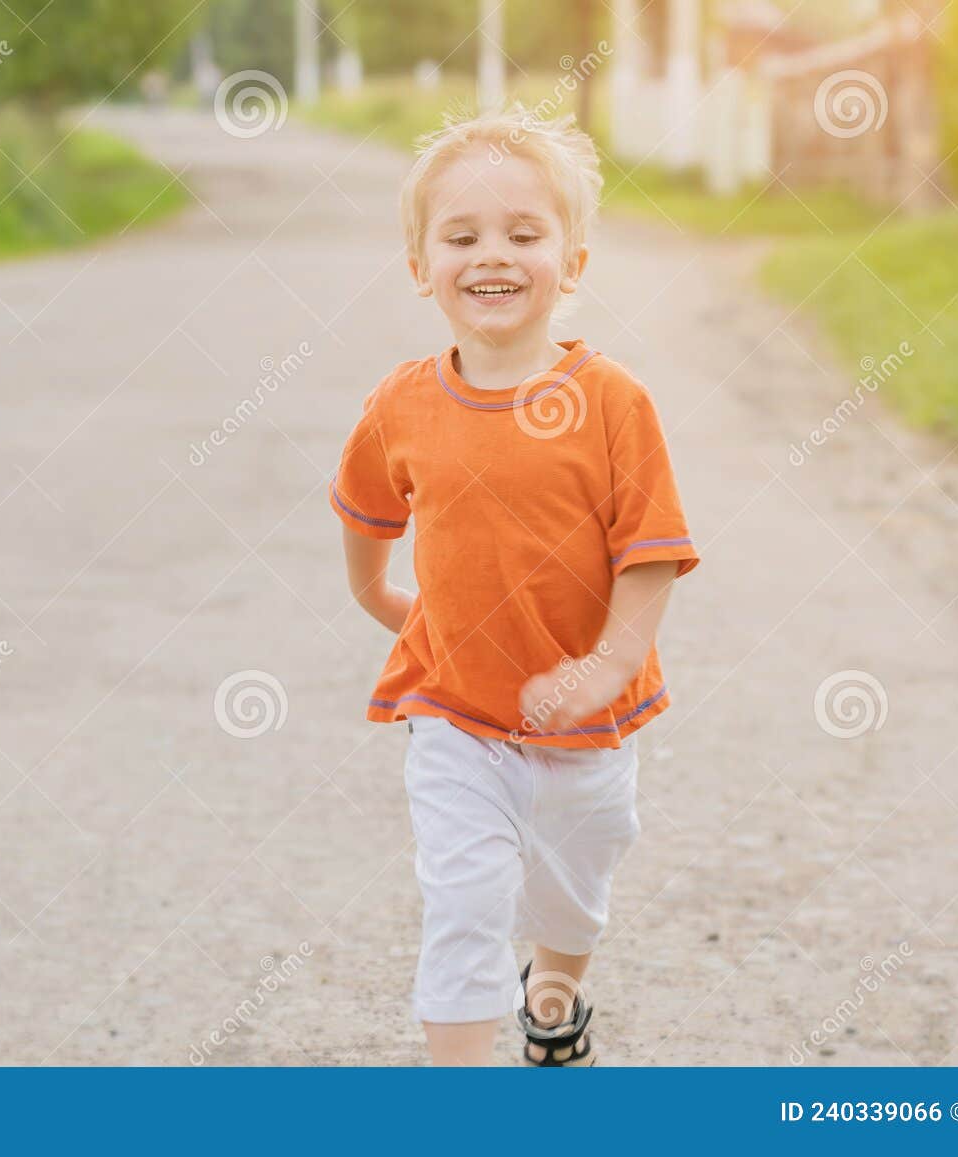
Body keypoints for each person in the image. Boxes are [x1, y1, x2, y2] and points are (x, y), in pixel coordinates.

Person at [329, 105, 699, 1066]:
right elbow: (367, 512)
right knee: (465, 898)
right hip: (454, 711)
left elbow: (650, 547)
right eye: (461, 236)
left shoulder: (613, 402)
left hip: (586, 718)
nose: (492, 254)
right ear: (421, 266)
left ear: (571, 262)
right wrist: (385, 603)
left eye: (523, 234)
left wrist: (610, 662)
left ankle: (558, 985)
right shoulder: (402, 402)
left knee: (576, 879)